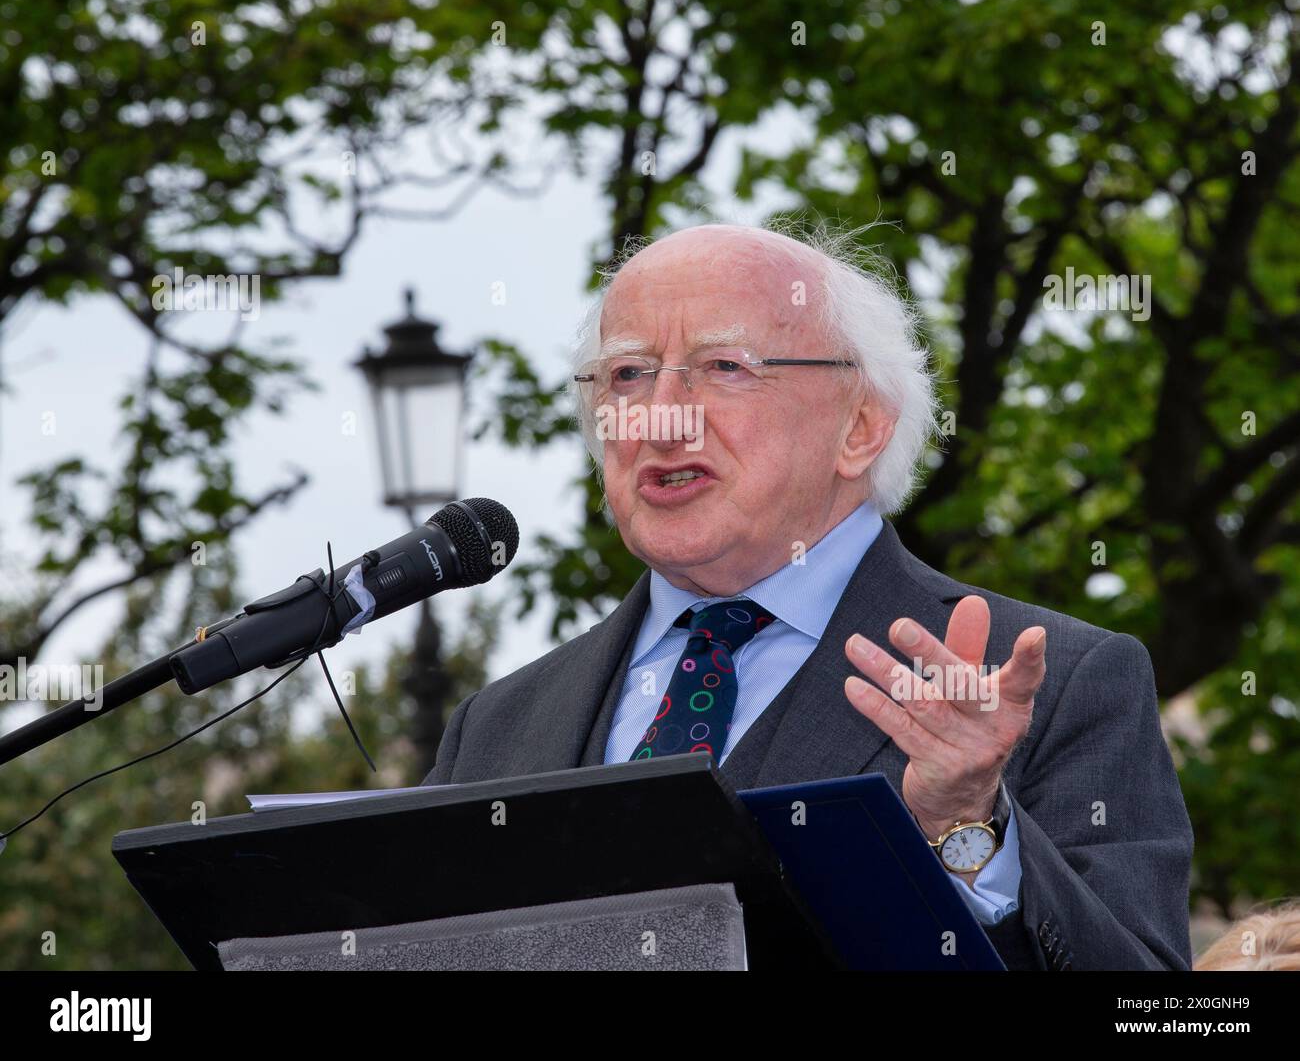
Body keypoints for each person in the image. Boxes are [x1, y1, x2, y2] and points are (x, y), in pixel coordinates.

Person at [422, 221, 1194, 970]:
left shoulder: (1064, 682)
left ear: (860, 425)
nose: (661, 414)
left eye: (725, 366)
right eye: (627, 374)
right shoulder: (495, 727)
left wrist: (969, 829)